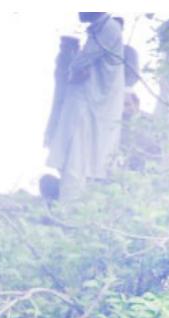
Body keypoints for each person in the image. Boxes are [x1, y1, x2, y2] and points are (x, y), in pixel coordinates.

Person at [45, 13, 125, 200]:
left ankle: (71, 206)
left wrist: (72, 67)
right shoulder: (99, 30)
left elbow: (81, 62)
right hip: (85, 106)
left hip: (94, 108)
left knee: (78, 159)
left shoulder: (109, 28)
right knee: (73, 158)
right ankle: (69, 204)